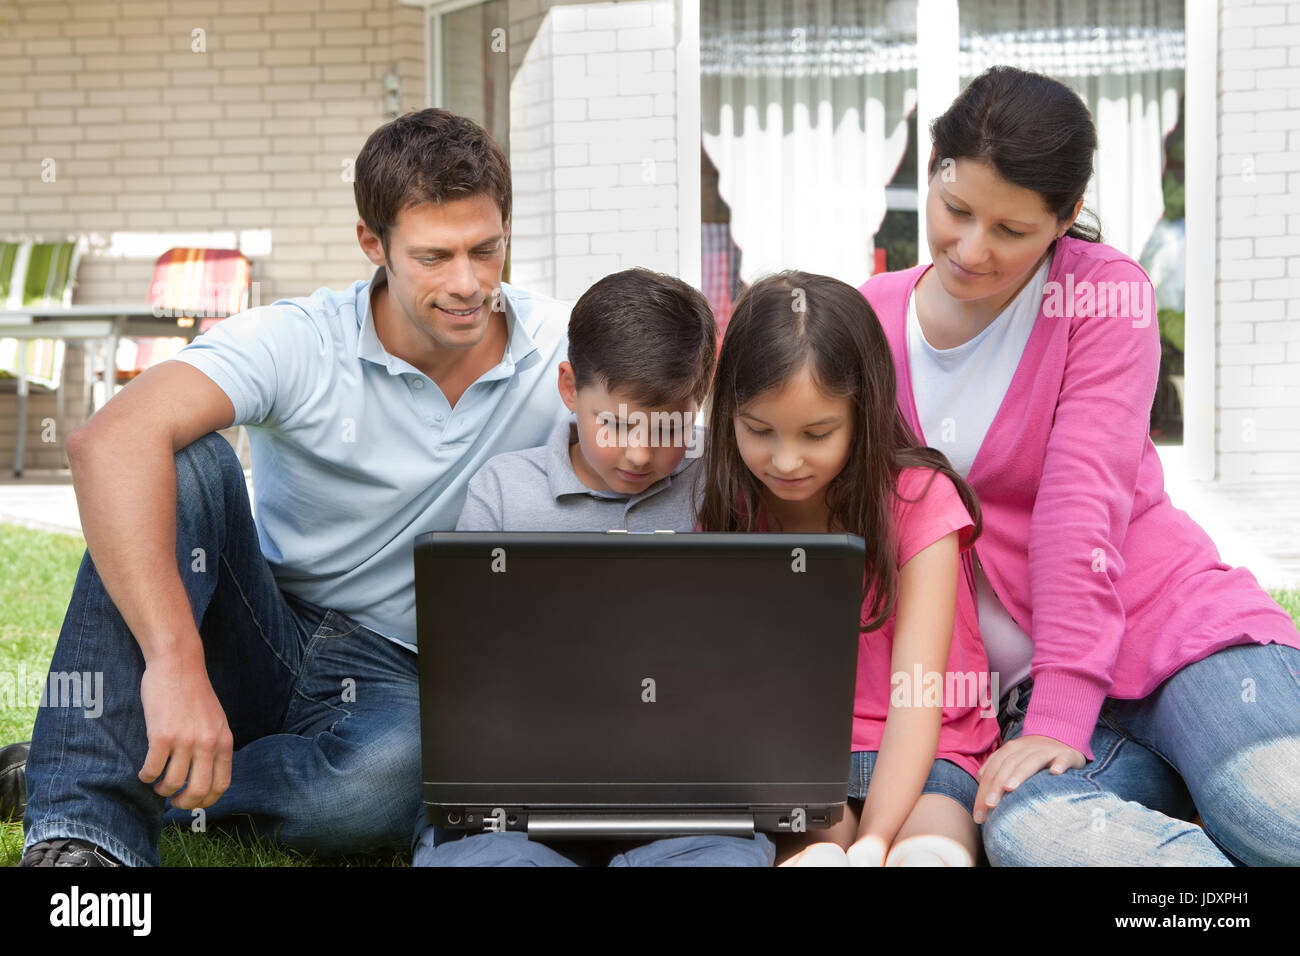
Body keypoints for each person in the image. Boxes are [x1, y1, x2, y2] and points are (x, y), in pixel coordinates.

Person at [15, 109, 571, 867]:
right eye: (435, 256)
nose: (469, 283)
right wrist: (176, 664)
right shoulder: (303, 339)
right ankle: (85, 831)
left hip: (398, 668)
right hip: (261, 628)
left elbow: (676, 428)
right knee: (184, 462)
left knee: (383, 785)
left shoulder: (563, 354)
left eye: (487, 249)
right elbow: (107, 440)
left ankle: (131, 777)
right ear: (372, 245)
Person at [859, 65, 1300, 866]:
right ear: (931, 174)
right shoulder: (871, 319)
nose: (971, 249)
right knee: (1033, 832)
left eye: (1012, 230)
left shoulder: (1101, 297)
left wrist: (1060, 711)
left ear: (1064, 218)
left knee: (1270, 807)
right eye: (955, 210)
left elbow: (1078, 509)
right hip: (1023, 706)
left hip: (1180, 642)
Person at [413, 267, 771, 867]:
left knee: (729, 858)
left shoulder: (724, 481)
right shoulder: (504, 491)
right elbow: (465, 668)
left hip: (686, 791)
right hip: (524, 794)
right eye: (616, 423)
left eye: (667, 428)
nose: (638, 452)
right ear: (568, 387)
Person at [695, 271, 999, 867]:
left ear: (864, 415)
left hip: (933, 751)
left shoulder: (920, 500)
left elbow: (919, 699)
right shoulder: (730, 513)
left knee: (928, 858)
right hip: (802, 765)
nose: (784, 460)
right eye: (759, 431)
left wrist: (876, 840)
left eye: (817, 433)